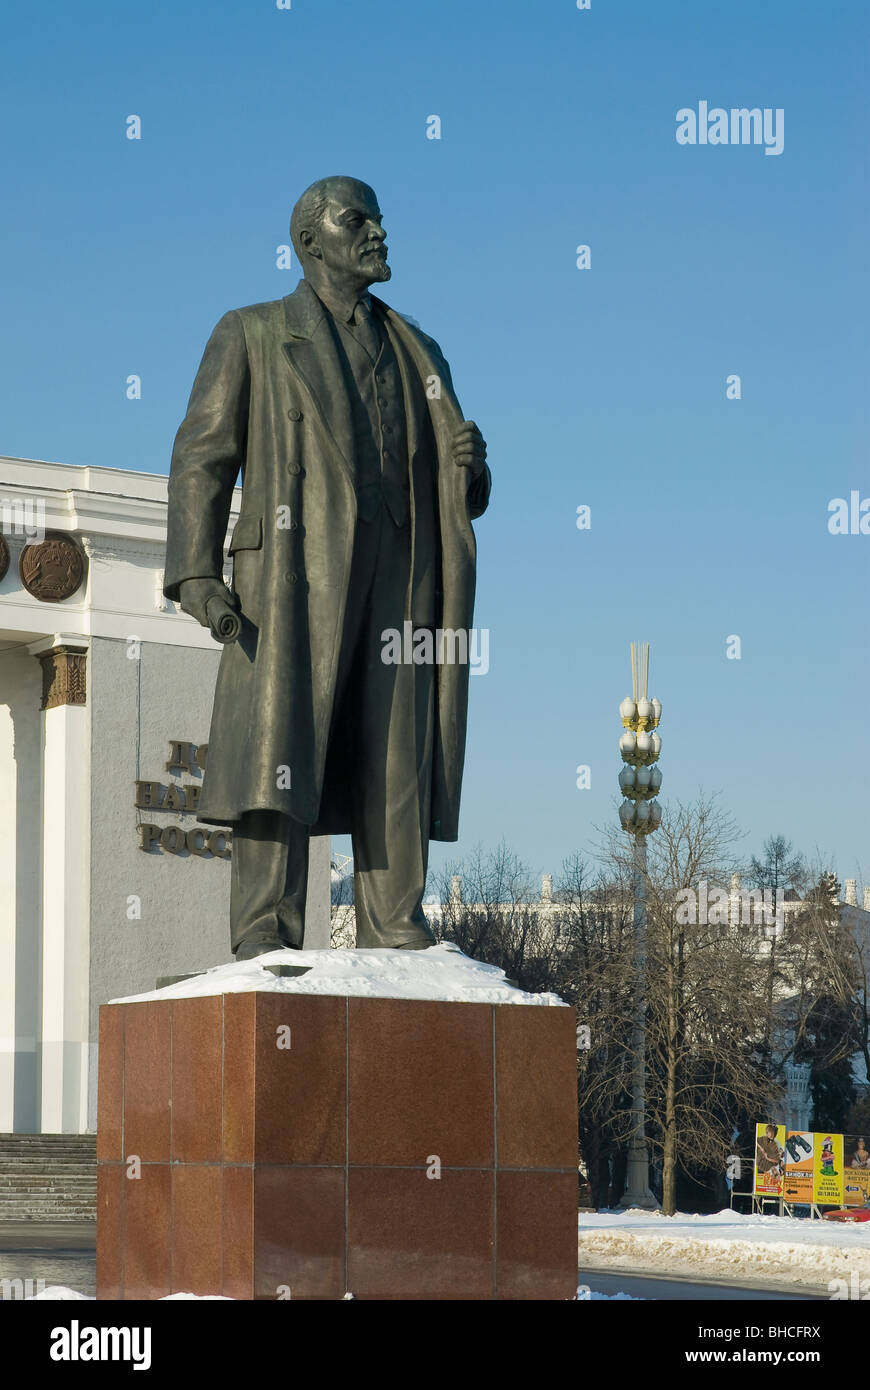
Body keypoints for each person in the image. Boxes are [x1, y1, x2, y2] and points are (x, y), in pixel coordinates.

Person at [164, 177, 491, 957]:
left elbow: (456, 484)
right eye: (359, 220)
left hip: (403, 570)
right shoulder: (253, 333)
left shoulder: (419, 351)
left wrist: (472, 471)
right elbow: (202, 456)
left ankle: (394, 920)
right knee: (280, 745)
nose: (378, 232)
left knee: (396, 746)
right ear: (311, 241)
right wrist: (197, 573)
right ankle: (265, 933)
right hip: (292, 574)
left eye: (379, 219)